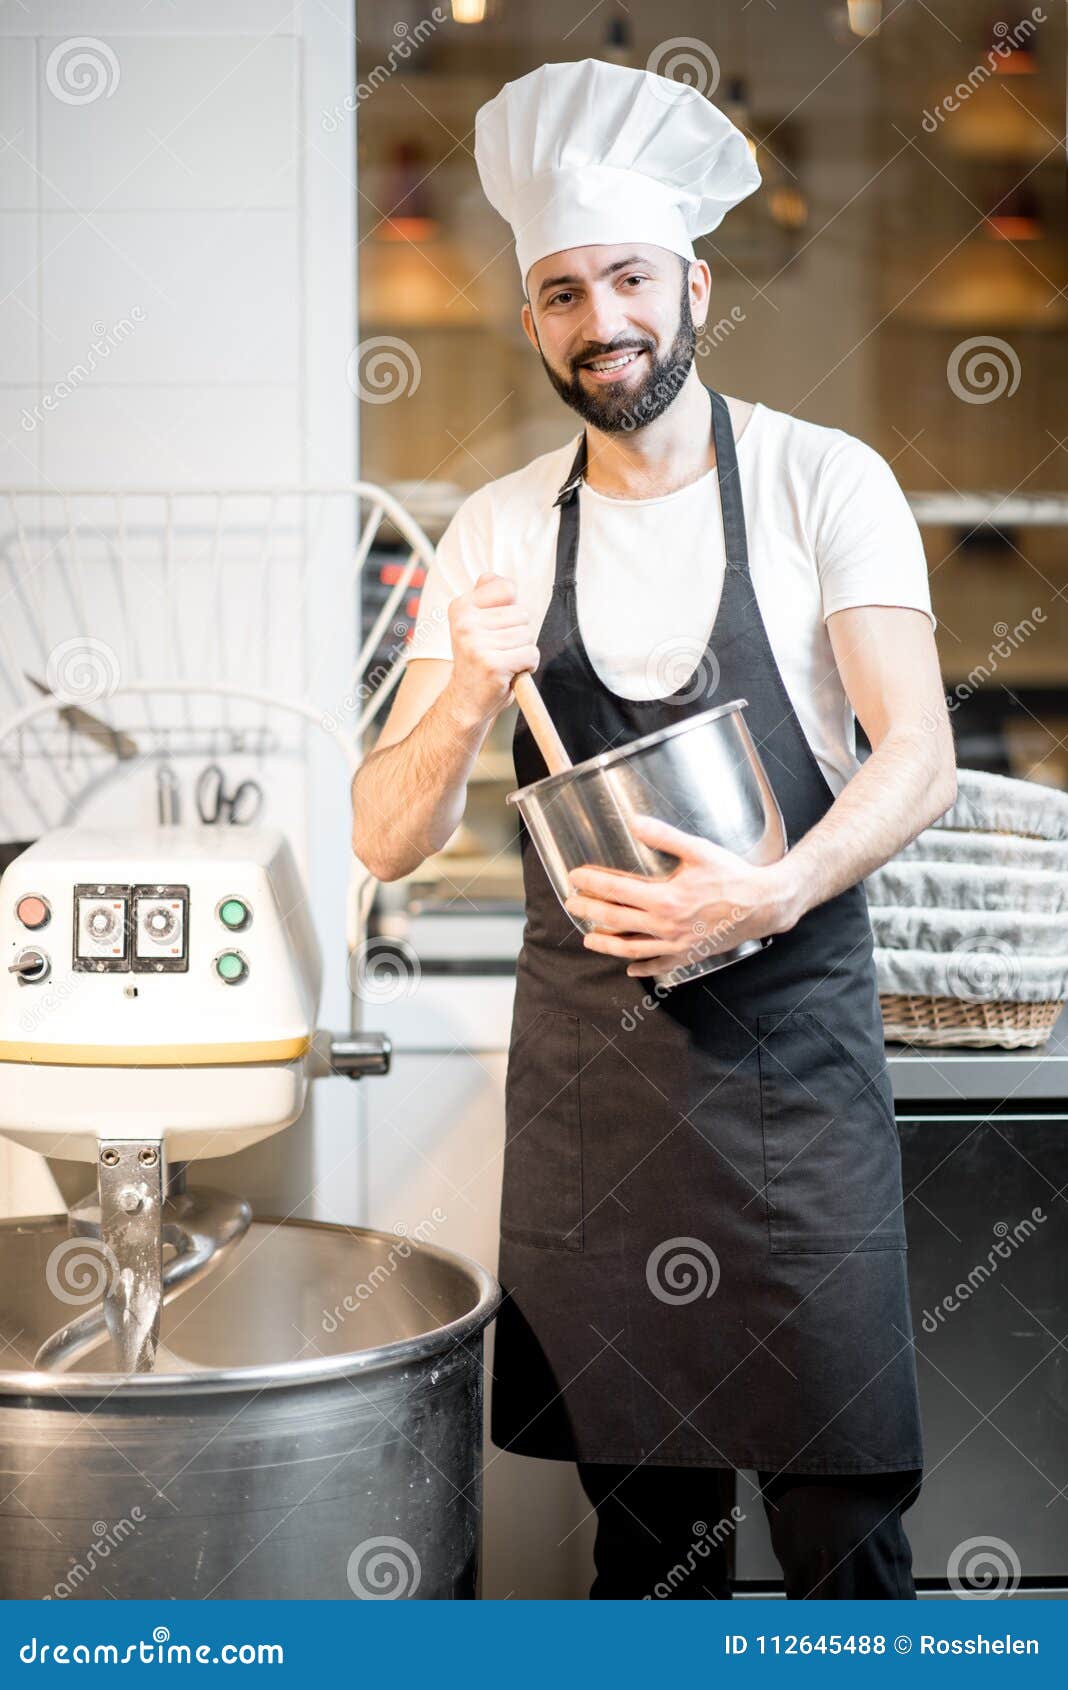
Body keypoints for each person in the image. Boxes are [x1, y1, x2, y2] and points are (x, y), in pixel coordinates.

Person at [351, 58, 956, 1600]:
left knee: (843, 1541)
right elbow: (383, 836)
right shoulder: (496, 528)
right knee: (650, 1553)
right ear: (533, 315)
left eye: (628, 277)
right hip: (601, 1112)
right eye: (561, 290)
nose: (599, 319)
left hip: (795, 1080)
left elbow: (921, 757)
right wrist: (467, 691)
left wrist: (766, 895)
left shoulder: (830, 482)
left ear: (693, 284)